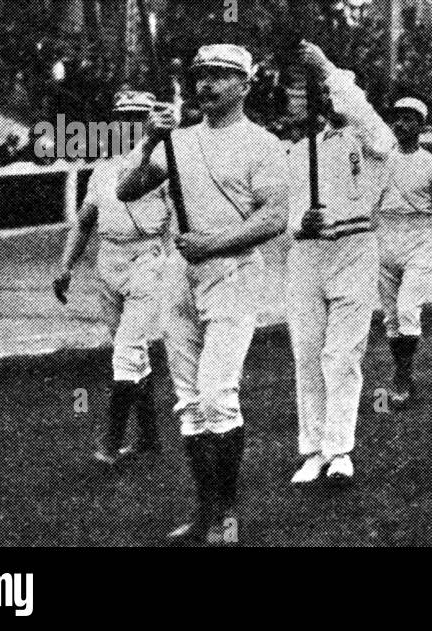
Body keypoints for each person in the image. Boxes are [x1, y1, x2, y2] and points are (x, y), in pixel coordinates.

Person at [116, 43, 289, 544]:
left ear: (245, 85)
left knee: (218, 396)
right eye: (201, 76)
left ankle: (228, 515)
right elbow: (127, 191)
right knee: (188, 402)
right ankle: (205, 512)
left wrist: (212, 242)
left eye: (219, 76)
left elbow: (273, 220)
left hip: (232, 274)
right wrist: (150, 143)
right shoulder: (179, 141)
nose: (206, 85)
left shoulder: (262, 145)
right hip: (178, 275)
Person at [286, 42, 396, 485]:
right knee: (308, 353)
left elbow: (369, 122)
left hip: (355, 249)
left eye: (330, 93)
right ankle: (312, 450)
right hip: (308, 256)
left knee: (342, 354)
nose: (324, 101)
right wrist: (301, 223)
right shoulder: (298, 151)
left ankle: (340, 451)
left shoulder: (369, 138)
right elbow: (286, 215)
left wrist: (328, 68)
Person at [54, 90, 169, 466]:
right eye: (121, 119)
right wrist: (66, 264)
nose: (127, 125)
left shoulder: (165, 163)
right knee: (132, 355)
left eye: (136, 118)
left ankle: (110, 444)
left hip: (148, 259)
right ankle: (149, 436)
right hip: (109, 261)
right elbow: (85, 220)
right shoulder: (104, 168)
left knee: (126, 352)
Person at [376, 97, 432, 410]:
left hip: (419, 239)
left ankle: (403, 376)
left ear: (421, 126)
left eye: (409, 119)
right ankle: (401, 370)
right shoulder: (379, 161)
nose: (401, 125)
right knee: (391, 317)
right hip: (385, 238)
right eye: (397, 119)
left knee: (409, 309)